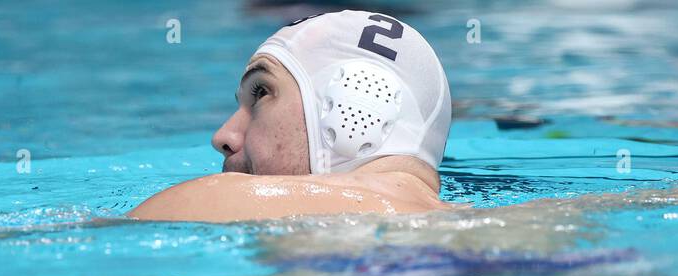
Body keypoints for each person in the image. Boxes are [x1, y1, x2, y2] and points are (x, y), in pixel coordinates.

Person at [128, 10, 458, 222]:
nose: (223, 136)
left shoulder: (218, 202)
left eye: (260, 93)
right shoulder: (501, 225)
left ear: (353, 106)